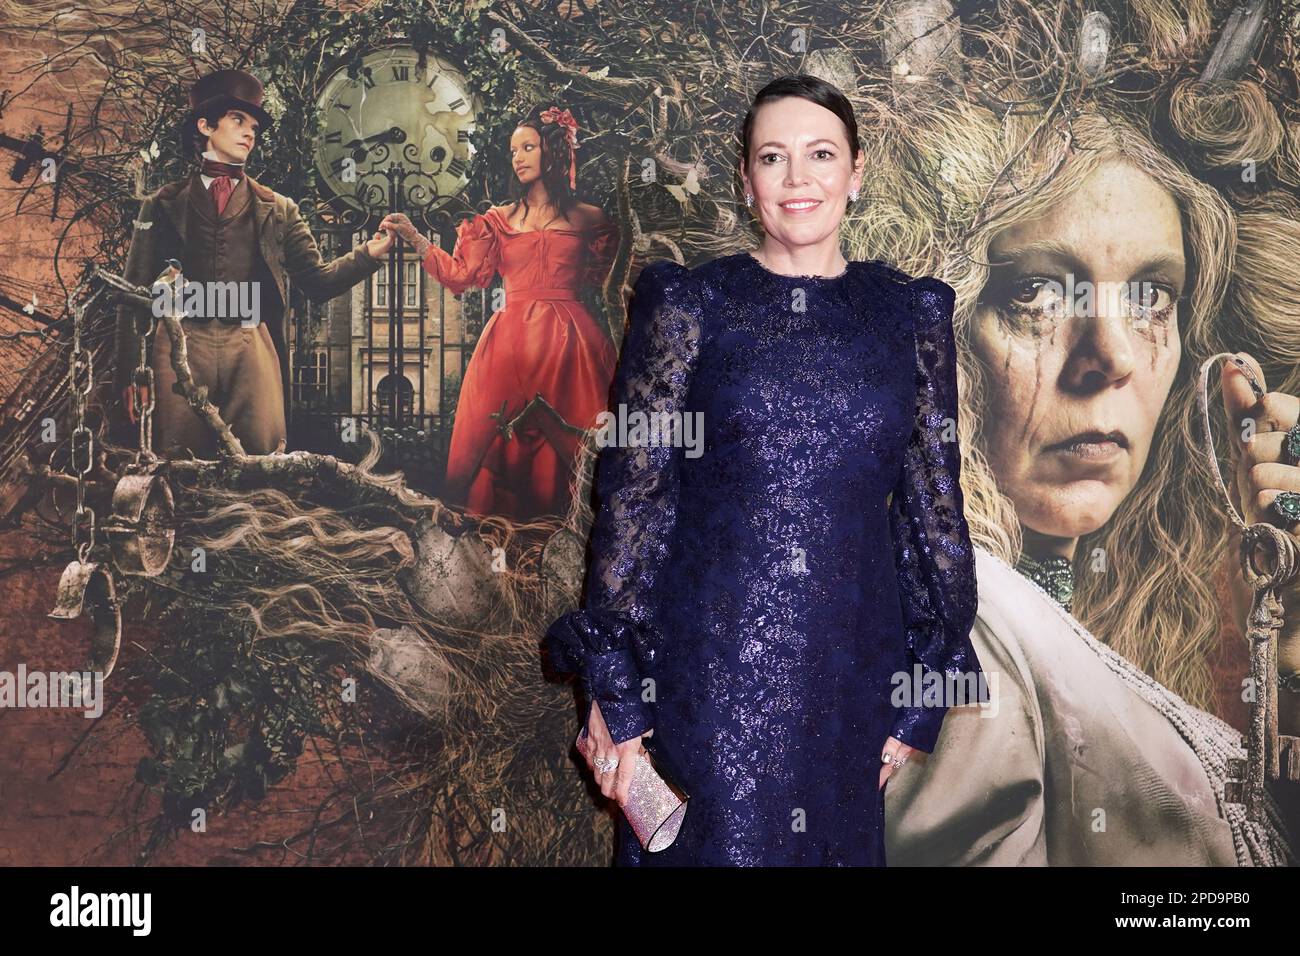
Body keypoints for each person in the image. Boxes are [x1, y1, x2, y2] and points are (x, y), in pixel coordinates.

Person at [542, 74, 984, 866]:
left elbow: (933, 509)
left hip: (852, 677)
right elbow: (635, 502)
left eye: (820, 154)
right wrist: (616, 685)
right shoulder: (690, 303)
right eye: (772, 157)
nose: (797, 178)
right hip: (705, 678)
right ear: (747, 182)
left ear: (857, 171)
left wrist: (923, 694)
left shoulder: (910, 314)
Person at [114, 68, 392, 458]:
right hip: (178, 345)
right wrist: (131, 374)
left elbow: (316, 280)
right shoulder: (161, 204)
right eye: (238, 120)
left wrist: (368, 256)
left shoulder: (278, 208)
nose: (249, 133)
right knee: (176, 461)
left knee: (262, 458)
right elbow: (134, 294)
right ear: (206, 126)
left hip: (249, 343)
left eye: (254, 127)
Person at [377, 104, 620, 522]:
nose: (519, 157)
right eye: (513, 151)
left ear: (555, 151)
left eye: (528, 147)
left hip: (572, 346)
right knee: (498, 441)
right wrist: (415, 238)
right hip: (509, 343)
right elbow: (462, 275)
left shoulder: (591, 220)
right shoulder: (496, 220)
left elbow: (615, 287)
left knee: (576, 446)